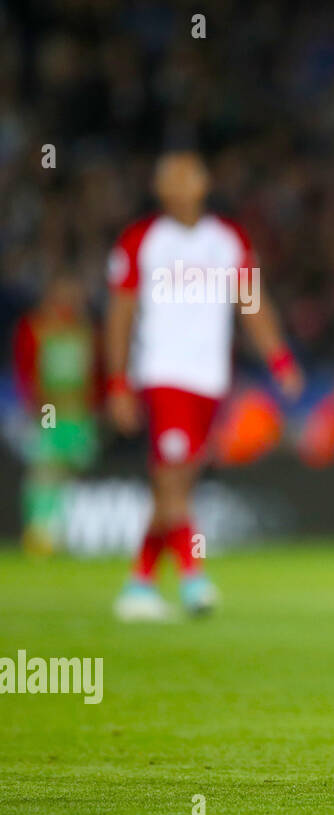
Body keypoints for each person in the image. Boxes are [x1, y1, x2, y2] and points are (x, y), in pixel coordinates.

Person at [104, 150, 303, 621]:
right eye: (168, 176)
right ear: (158, 188)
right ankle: (193, 578)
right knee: (172, 476)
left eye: (186, 174)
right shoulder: (141, 240)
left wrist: (279, 358)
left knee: (177, 482)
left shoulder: (227, 239)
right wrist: (116, 381)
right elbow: (120, 313)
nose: (177, 183)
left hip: (211, 379)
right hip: (161, 373)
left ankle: (140, 583)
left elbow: (252, 302)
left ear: (203, 183)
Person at [13, 274, 98, 555]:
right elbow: (25, 370)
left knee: (72, 471)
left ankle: (65, 531)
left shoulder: (83, 329)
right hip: (48, 411)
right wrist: (36, 409)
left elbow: (93, 373)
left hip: (78, 413)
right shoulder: (35, 327)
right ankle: (39, 530)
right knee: (46, 470)